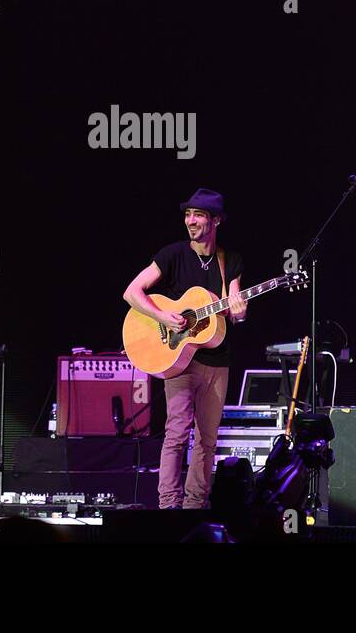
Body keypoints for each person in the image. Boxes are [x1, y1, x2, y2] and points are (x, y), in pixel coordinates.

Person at [123, 188, 246, 508]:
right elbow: (132, 292)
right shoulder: (173, 254)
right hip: (177, 356)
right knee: (176, 434)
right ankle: (168, 505)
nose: (190, 221)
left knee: (207, 438)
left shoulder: (229, 260)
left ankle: (194, 507)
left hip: (217, 359)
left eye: (198, 215)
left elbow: (234, 303)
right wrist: (163, 315)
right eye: (188, 215)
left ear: (216, 220)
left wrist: (239, 309)